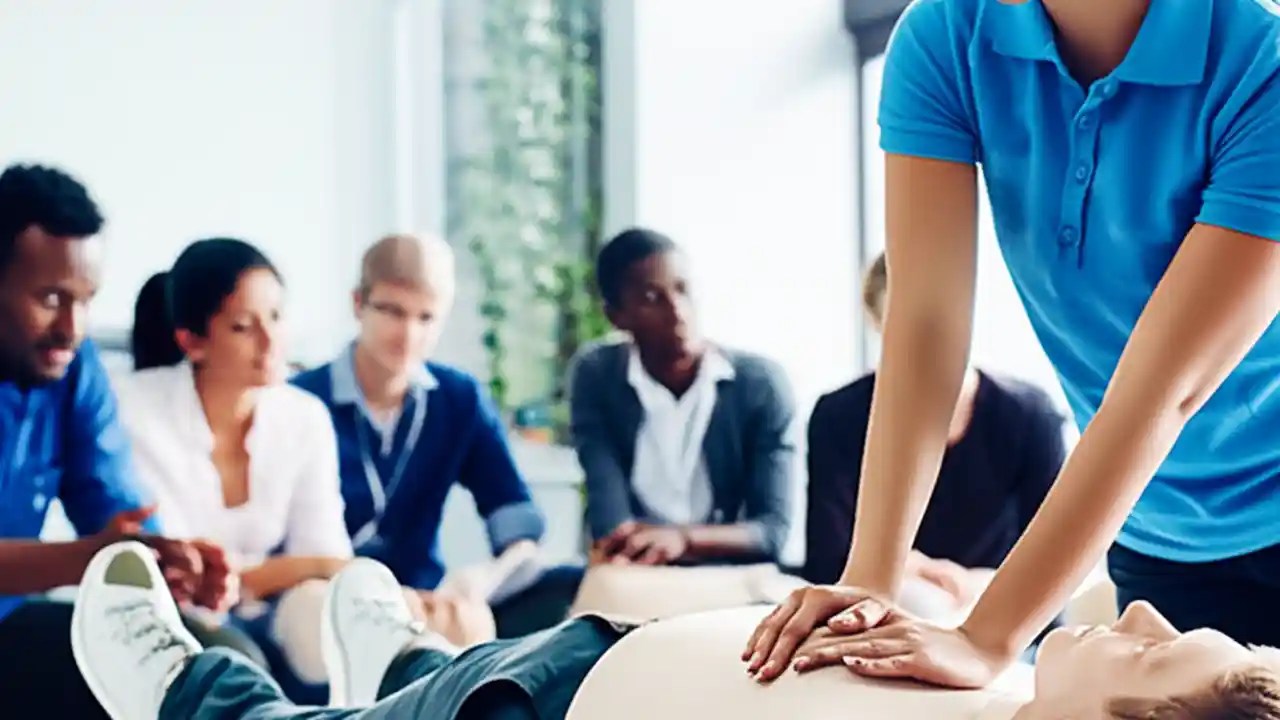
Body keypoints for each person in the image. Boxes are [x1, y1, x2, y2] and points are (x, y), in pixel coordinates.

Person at [745, 0, 1280, 691]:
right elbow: (926, 320)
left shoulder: (1260, 66)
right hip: (1158, 531)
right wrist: (872, 579)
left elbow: (1165, 390)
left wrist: (988, 637)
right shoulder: (945, 36)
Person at [72, 540, 1280, 720]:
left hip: (561, 715)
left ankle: (187, 694)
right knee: (444, 683)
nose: (1138, 605)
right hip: (593, 654)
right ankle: (406, 660)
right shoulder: (1011, 677)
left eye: (1151, 649)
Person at [0, 163, 232, 717]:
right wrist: (88, 558)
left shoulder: (72, 368)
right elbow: (94, 551)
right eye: (51, 298)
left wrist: (169, 563)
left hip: (9, 626)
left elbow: (116, 508)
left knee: (217, 666)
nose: (72, 328)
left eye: (86, 299)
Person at [292, 233, 574, 639]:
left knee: (559, 586)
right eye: (392, 311)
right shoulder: (302, 400)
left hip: (425, 603)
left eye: (426, 318)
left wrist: (481, 578)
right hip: (326, 602)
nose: (408, 335)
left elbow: (517, 524)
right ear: (358, 304)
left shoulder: (458, 399)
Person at [114, 239, 355, 679]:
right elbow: (174, 571)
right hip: (166, 619)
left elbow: (327, 557)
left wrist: (268, 577)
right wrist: (287, 571)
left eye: (277, 318)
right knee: (231, 657)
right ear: (192, 341)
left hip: (272, 612)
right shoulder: (134, 411)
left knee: (332, 620)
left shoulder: (305, 417)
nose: (271, 342)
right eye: (243, 327)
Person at [804, 251, 1067, 615]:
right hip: (891, 598)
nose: (929, 341)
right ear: (878, 324)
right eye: (905, 325)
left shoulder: (1030, 415)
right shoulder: (840, 415)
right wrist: (917, 568)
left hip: (994, 604)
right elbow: (827, 556)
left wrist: (970, 583)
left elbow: (1053, 556)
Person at [569, 228, 797, 567]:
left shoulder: (760, 385)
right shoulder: (597, 377)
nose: (677, 311)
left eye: (683, 290)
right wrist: (634, 544)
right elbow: (610, 520)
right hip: (636, 569)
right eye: (651, 298)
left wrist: (682, 539)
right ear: (616, 317)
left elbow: (771, 531)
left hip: (729, 576)